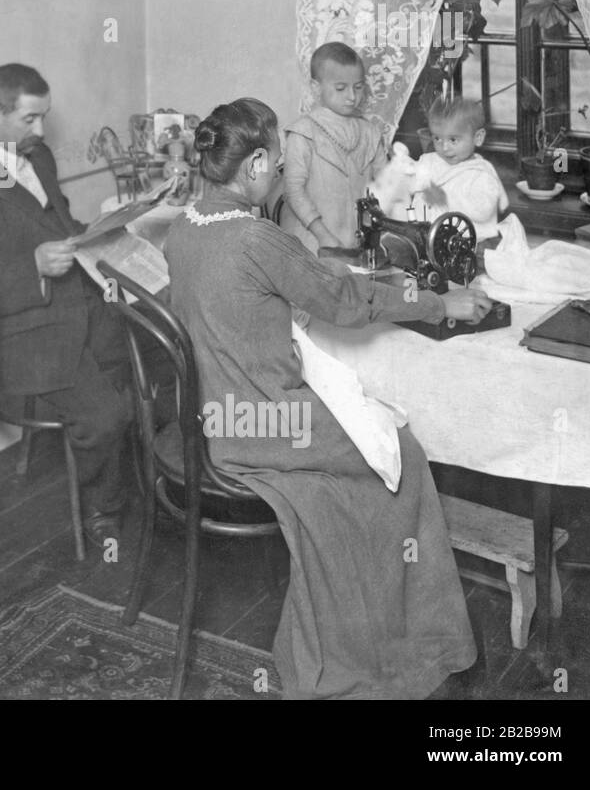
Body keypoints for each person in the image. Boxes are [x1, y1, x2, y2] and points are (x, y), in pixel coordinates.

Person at [164, 97, 488, 698]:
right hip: (264, 425)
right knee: (402, 453)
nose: (283, 174)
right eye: (281, 165)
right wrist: (440, 303)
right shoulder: (257, 237)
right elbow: (344, 300)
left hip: (213, 418)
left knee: (364, 439)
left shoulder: (181, 229)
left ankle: (376, 634)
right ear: (255, 163)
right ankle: (408, 655)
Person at [0, 63, 133, 545]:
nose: (41, 131)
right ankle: (104, 506)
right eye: (30, 120)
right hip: (23, 332)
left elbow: (56, 223)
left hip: (74, 305)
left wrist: (106, 232)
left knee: (148, 357)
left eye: (45, 117)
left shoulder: (36, 158)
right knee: (105, 416)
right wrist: (33, 268)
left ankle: (129, 472)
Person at [281, 41, 387, 252]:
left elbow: (386, 186)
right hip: (314, 244)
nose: (351, 96)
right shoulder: (303, 132)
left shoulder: (370, 133)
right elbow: (293, 191)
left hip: (360, 247)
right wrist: (323, 235)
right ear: (315, 87)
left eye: (358, 87)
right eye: (340, 88)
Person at [410, 95, 510, 243]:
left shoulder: (481, 173)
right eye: (437, 138)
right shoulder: (431, 161)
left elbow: (484, 210)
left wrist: (446, 198)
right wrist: (402, 167)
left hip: (470, 240)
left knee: (485, 259)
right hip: (427, 236)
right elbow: (410, 183)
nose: (444, 148)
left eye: (453, 140)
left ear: (478, 137)